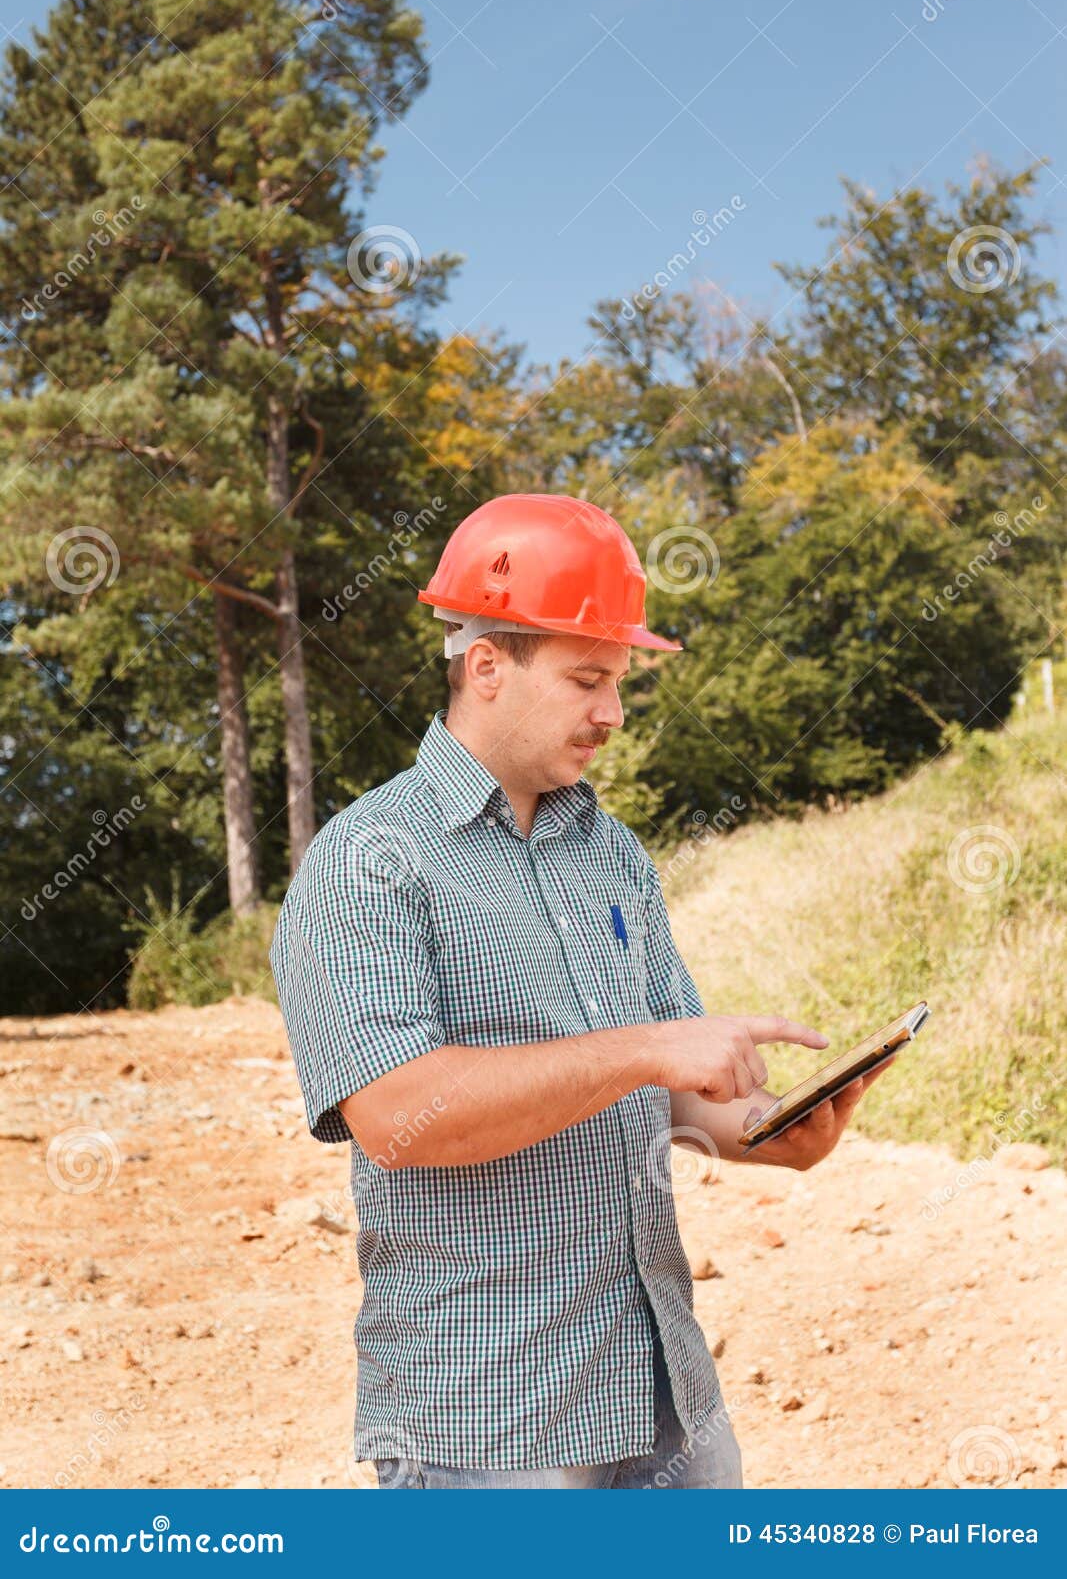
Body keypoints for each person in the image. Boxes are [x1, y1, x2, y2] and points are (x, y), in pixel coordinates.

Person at [270, 492, 885, 1490]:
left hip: (665, 1406)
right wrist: (641, 1050)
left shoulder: (612, 857)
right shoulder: (366, 864)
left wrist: (768, 1129)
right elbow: (395, 1115)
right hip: (488, 1432)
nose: (612, 712)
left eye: (618, 681)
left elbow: (680, 1090)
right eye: (586, 679)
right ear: (484, 668)